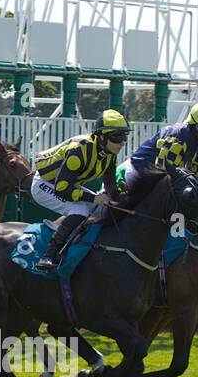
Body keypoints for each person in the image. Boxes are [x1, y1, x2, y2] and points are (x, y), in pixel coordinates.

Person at [30, 109, 130, 272]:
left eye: (124, 136)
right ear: (101, 136)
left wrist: (122, 196)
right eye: (116, 136)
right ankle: (48, 255)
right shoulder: (80, 150)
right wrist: (94, 198)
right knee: (80, 209)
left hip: (66, 185)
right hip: (45, 184)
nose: (122, 142)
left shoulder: (110, 155)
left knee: (104, 209)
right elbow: (61, 188)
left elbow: (111, 186)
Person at [125, 100, 198, 193]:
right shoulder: (178, 140)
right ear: (197, 126)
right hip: (138, 170)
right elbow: (164, 174)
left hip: (157, 175)